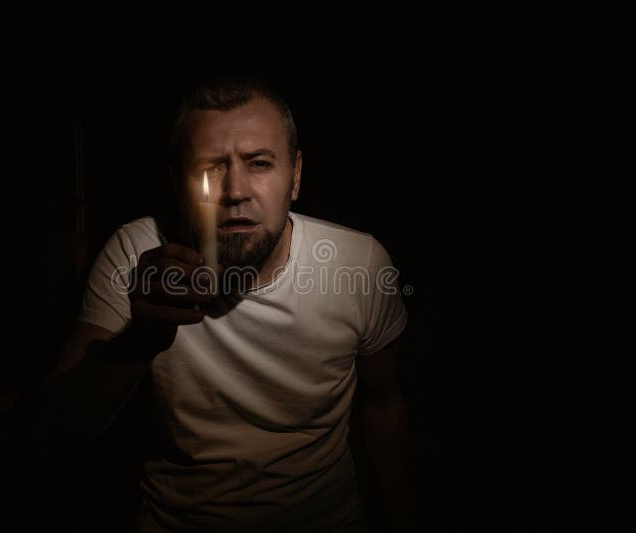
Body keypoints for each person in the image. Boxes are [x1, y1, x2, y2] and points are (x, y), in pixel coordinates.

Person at [27, 77, 410, 532]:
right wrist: (138, 342)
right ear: (177, 183)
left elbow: (383, 404)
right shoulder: (138, 254)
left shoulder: (358, 263)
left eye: (260, 163)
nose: (235, 191)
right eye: (210, 168)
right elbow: (47, 435)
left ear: (296, 176)